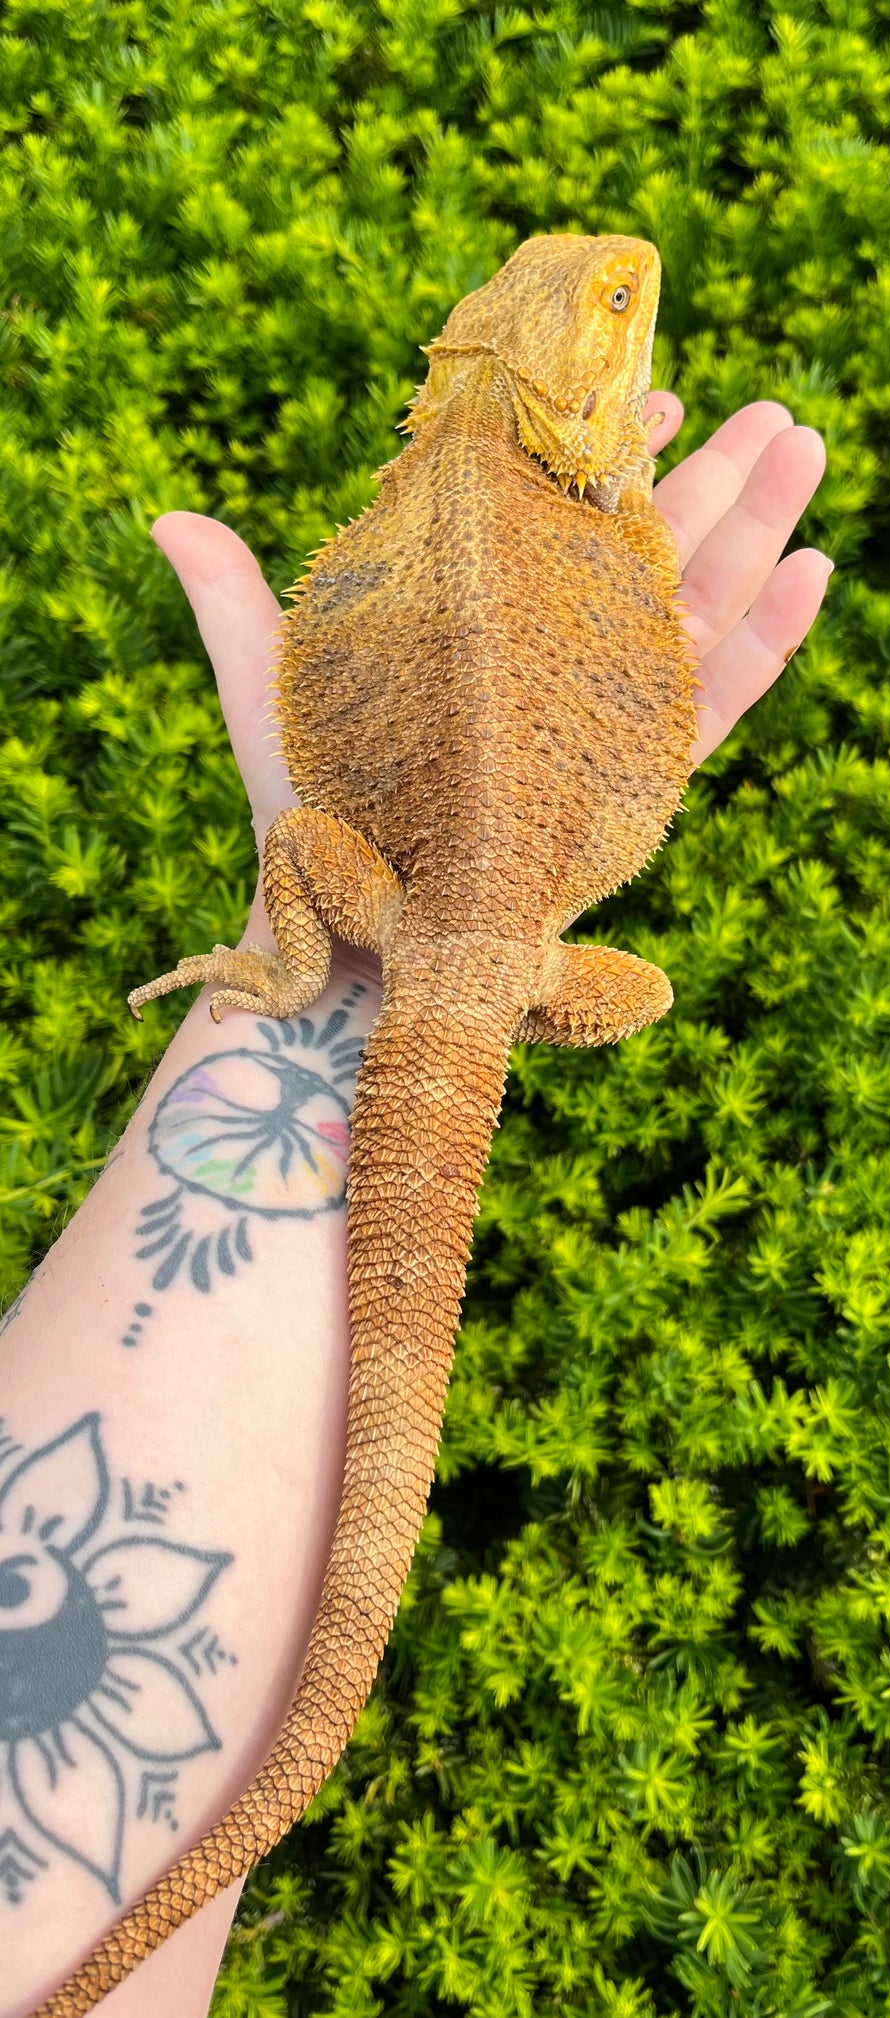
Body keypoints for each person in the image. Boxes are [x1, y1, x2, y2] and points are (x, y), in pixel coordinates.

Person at [1, 395, 832, 2018]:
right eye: (592, 310)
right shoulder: (569, 518)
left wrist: (307, 975)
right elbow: (633, 978)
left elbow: (324, 833)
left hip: (394, 898)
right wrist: (490, 964)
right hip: (513, 938)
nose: (623, 307)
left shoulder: (470, 477)